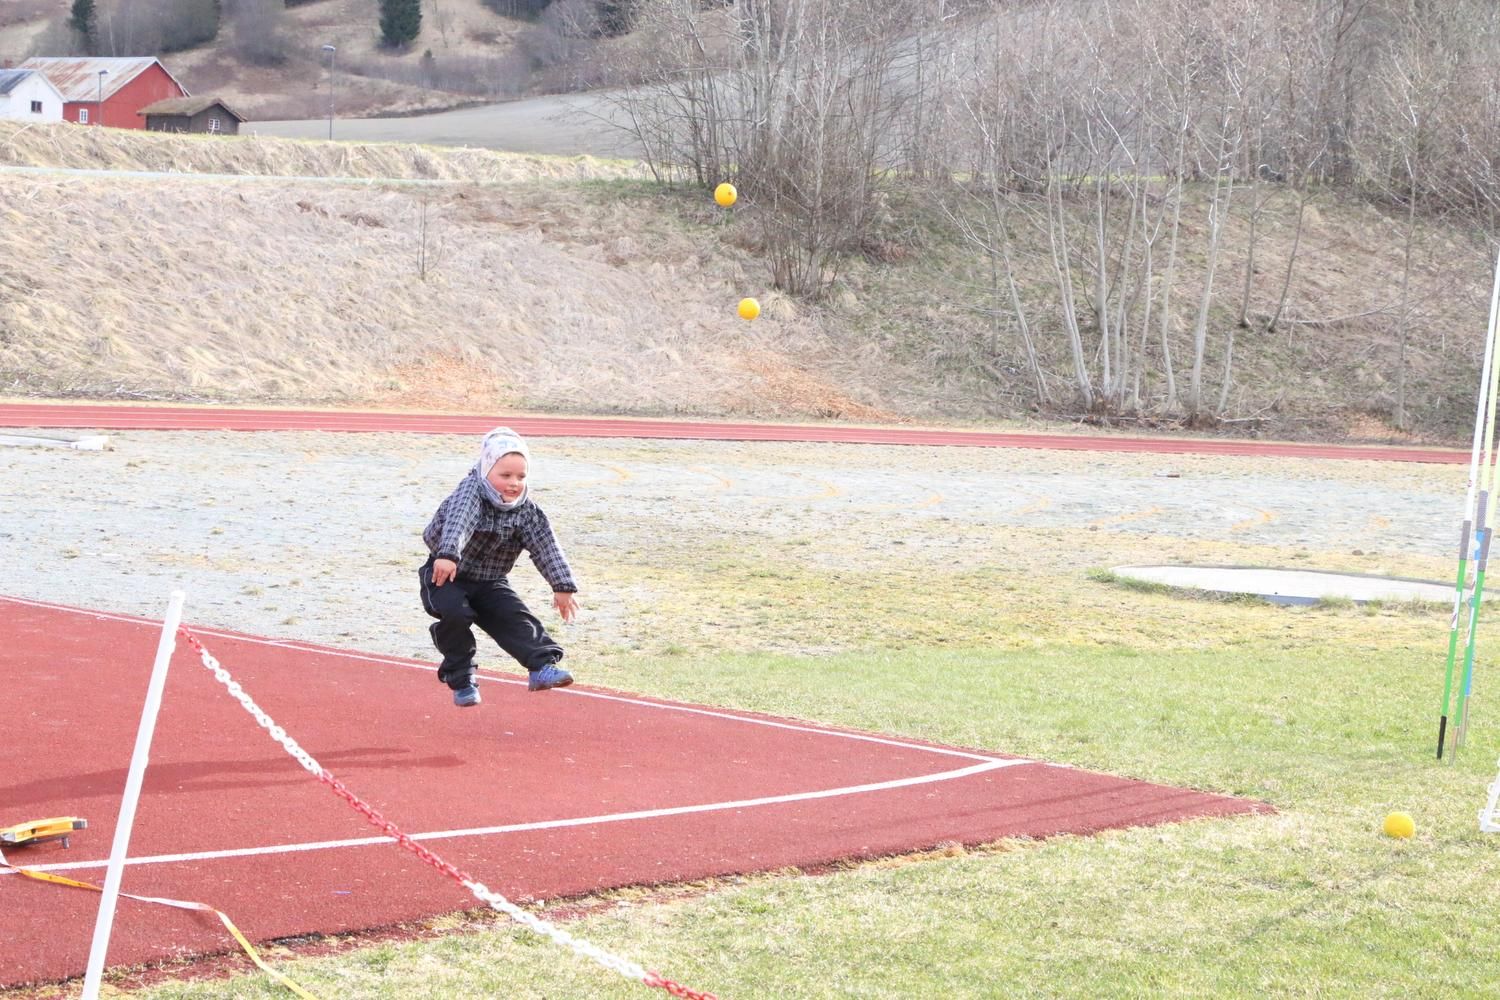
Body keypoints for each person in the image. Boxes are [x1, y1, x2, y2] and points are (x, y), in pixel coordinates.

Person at [418, 427, 579, 707]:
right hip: (447, 573)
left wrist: (562, 585)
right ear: (486, 470)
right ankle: (462, 678)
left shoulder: (525, 510)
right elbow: (459, 521)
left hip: (490, 581)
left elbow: (546, 545)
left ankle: (542, 667)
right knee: (456, 613)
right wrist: (448, 553)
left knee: (515, 617)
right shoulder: (470, 492)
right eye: (505, 475)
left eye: (521, 476)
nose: (514, 483)